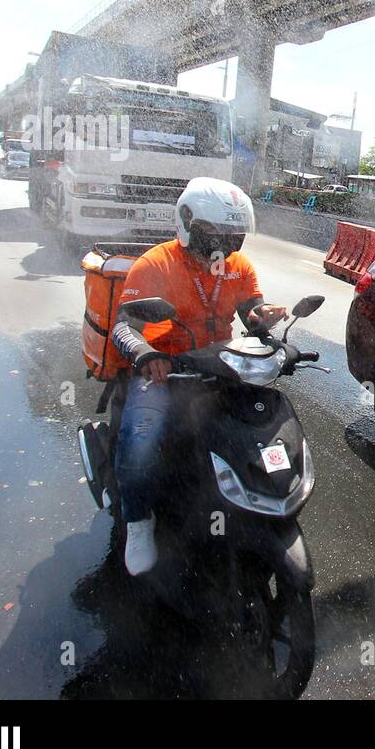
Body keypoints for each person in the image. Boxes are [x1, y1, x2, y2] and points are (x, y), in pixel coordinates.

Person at [109, 177, 289, 575]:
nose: (225, 246)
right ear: (188, 224)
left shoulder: (239, 267)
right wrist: (145, 354)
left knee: (259, 426)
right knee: (141, 441)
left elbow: (251, 314)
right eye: (216, 235)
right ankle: (139, 522)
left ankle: (249, 494)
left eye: (234, 236)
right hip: (165, 370)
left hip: (220, 364)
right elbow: (123, 328)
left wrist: (265, 318)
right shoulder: (155, 264)